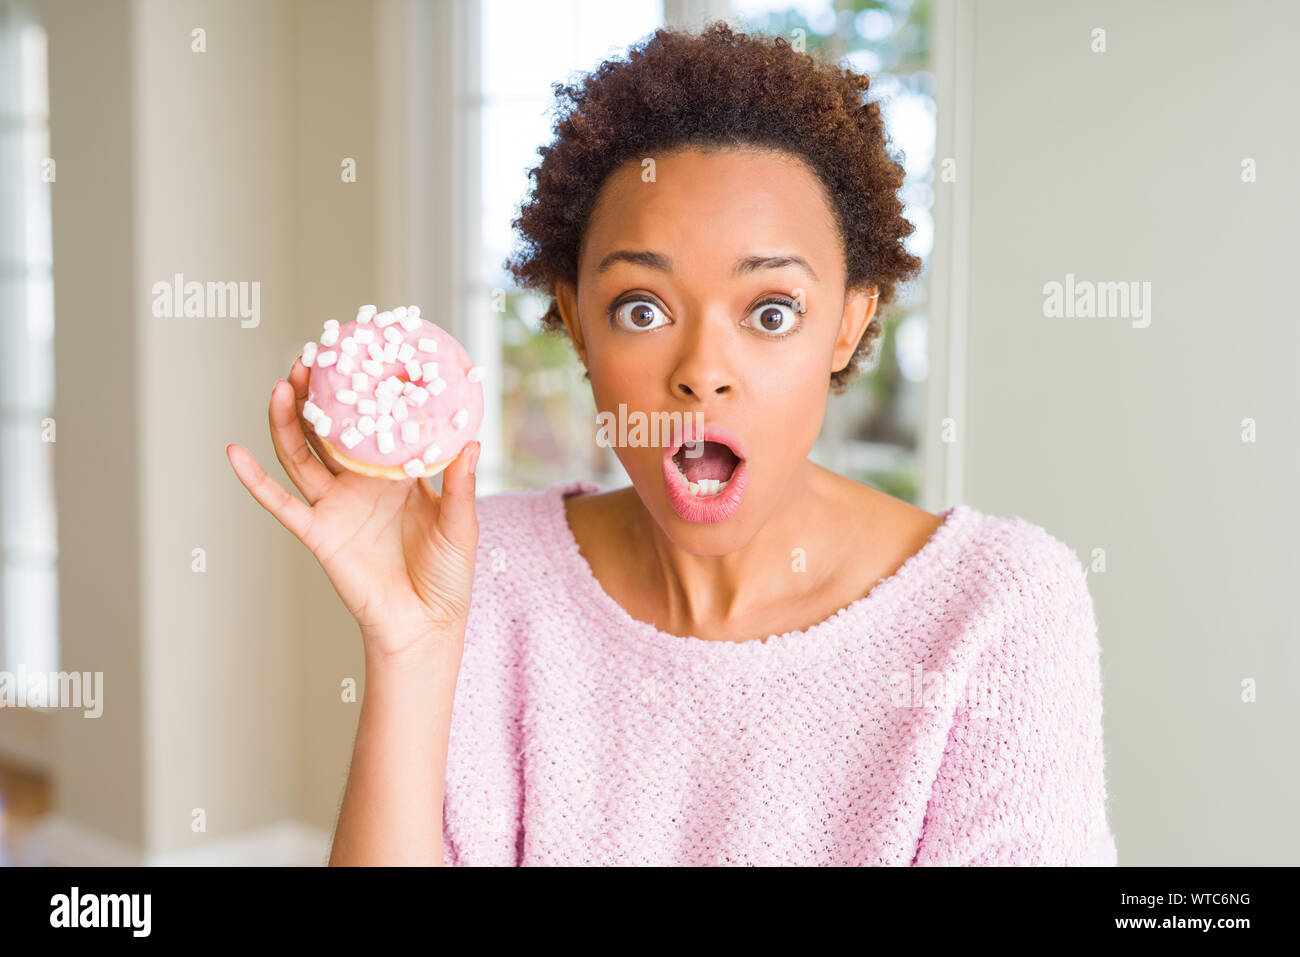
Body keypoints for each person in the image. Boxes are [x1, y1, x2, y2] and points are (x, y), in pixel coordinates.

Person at [227, 21, 1118, 866]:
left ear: (849, 326)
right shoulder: (481, 577)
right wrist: (410, 650)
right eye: (641, 309)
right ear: (577, 326)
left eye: (771, 311)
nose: (701, 371)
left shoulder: (997, 611)